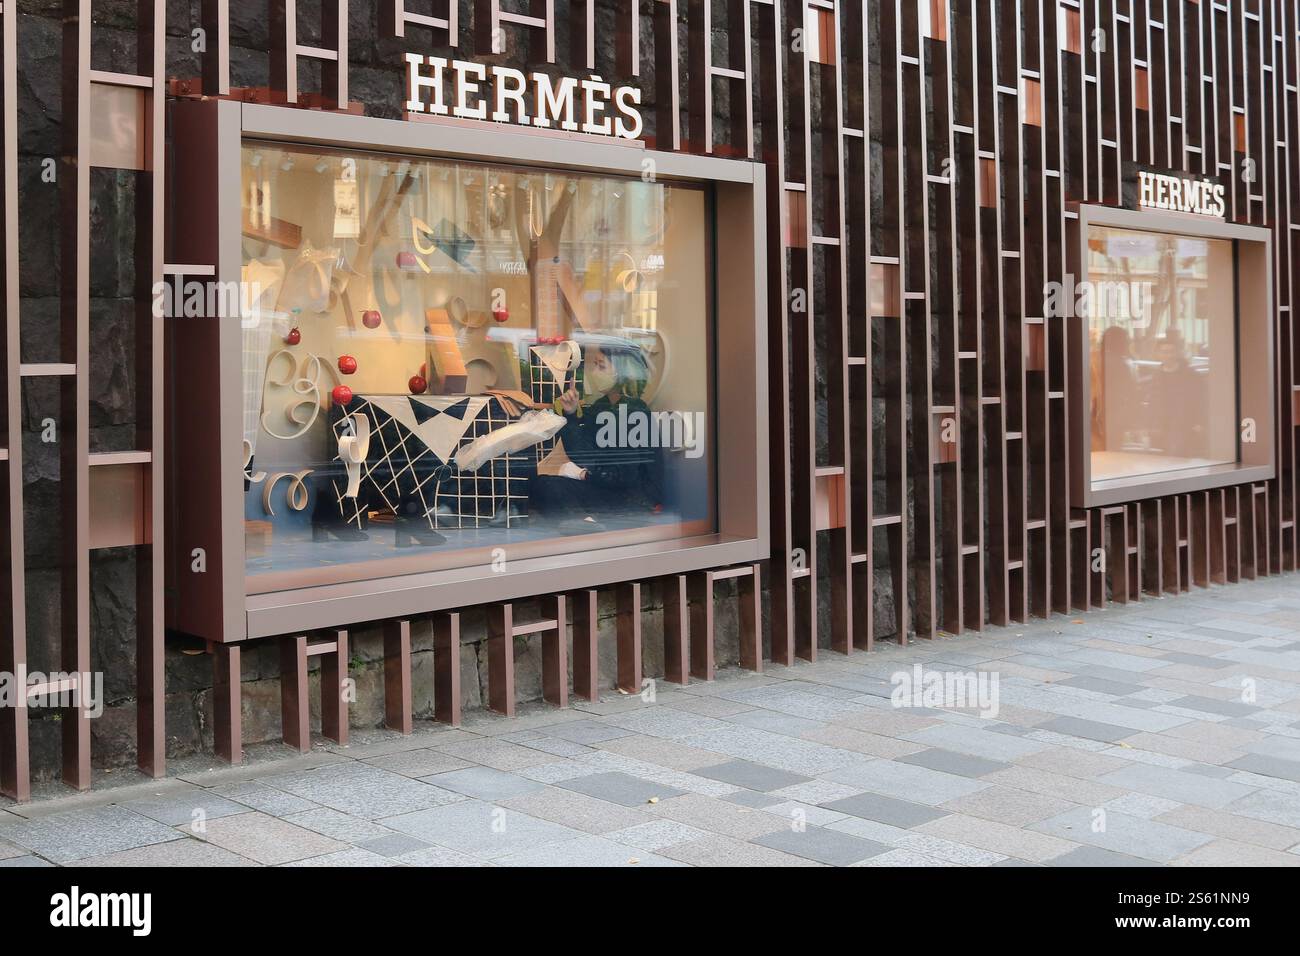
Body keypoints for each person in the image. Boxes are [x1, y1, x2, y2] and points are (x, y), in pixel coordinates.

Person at [529, 338, 664, 532]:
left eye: (601, 366)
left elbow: (624, 476)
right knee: (541, 484)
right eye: (594, 366)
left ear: (619, 372)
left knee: (551, 488)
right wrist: (571, 413)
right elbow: (583, 452)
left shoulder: (635, 411)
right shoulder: (601, 407)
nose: (593, 372)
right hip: (609, 490)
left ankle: (584, 522)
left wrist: (584, 475)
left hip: (634, 500)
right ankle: (586, 522)